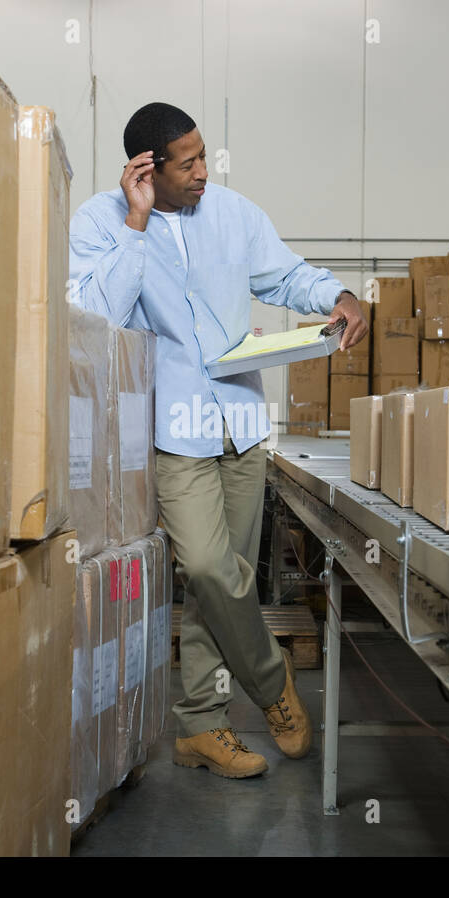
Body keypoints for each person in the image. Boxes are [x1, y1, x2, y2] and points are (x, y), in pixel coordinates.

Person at [68, 101, 368, 779]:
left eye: (205, 155)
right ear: (147, 169)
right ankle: (273, 684)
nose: (205, 171)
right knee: (207, 565)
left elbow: (287, 275)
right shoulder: (101, 222)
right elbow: (95, 316)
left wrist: (338, 293)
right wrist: (136, 227)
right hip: (173, 428)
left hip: (239, 418)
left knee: (221, 584)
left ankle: (202, 725)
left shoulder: (234, 214)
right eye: (189, 163)